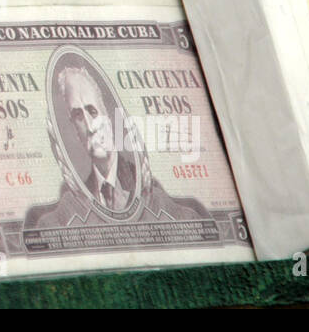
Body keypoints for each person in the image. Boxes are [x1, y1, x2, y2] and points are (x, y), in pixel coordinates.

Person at [25, 64, 209, 228]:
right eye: (78, 116)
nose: (90, 126)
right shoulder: (72, 201)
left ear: (109, 116)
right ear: (74, 128)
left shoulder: (142, 184)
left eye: (93, 111)